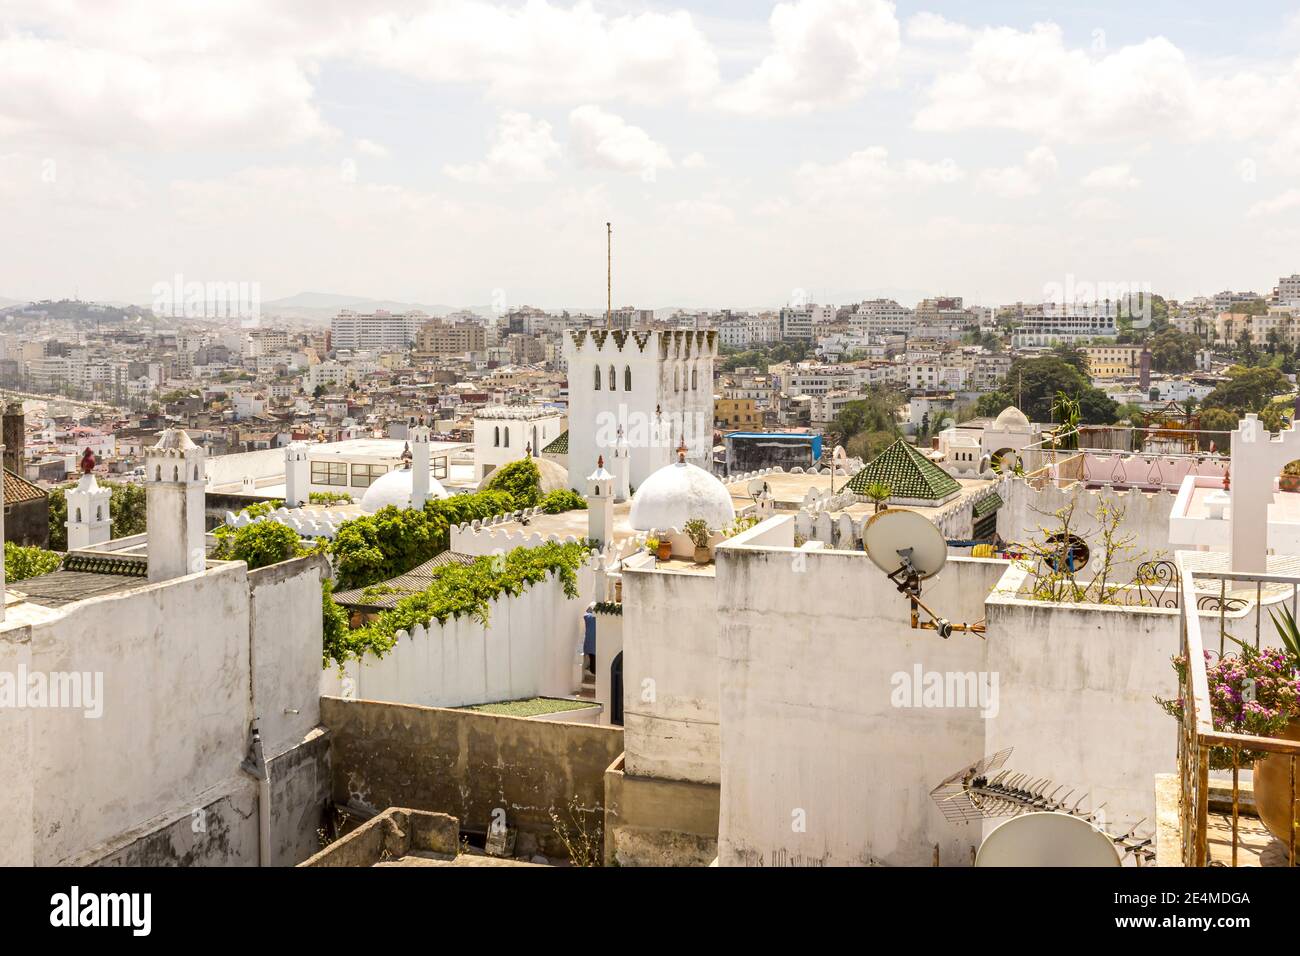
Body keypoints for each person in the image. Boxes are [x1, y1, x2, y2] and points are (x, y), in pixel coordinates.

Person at [582, 605, 597, 677]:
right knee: (595, 658)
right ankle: (594, 671)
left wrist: (589, 609)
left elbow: (585, 614)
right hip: (596, 641)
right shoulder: (597, 619)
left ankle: (593, 670)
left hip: (589, 641)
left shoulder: (588, 618)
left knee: (592, 657)